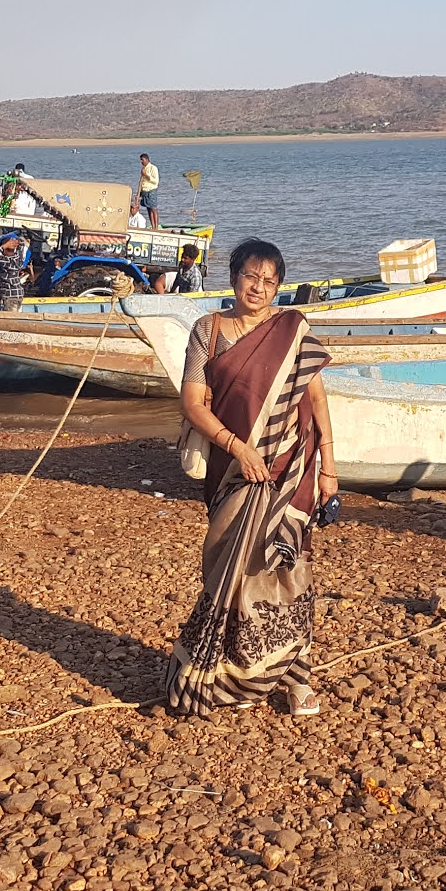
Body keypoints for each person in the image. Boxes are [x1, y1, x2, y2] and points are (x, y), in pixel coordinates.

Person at [167, 237, 338, 718]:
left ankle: (298, 678)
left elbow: (319, 401)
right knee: (228, 569)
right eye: (250, 277)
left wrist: (330, 468)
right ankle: (225, 673)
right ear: (234, 277)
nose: (258, 288)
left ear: (279, 288)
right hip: (231, 472)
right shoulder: (208, 330)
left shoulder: (292, 330)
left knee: (287, 566)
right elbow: (193, 405)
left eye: (269, 281)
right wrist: (239, 449)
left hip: (290, 471)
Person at [0, 231, 30, 309]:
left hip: (10, 295)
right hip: (18, 294)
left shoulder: (7, 261)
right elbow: (21, 247)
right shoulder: (18, 259)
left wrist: (5, 245)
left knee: (11, 318)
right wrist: (18, 242)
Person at [137, 154, 160, 221]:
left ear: (147, 160)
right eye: (140, 160)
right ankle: (152, 226)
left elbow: (155, 181)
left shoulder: (153, 168)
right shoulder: (144, 169)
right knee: (148, 209)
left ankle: (155, 227)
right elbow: (141, 181)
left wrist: (145, 175)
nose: (141, 161)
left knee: (153, 208)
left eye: (142, 160)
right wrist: (139, 193)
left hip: (151, 190)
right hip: (145, 191)